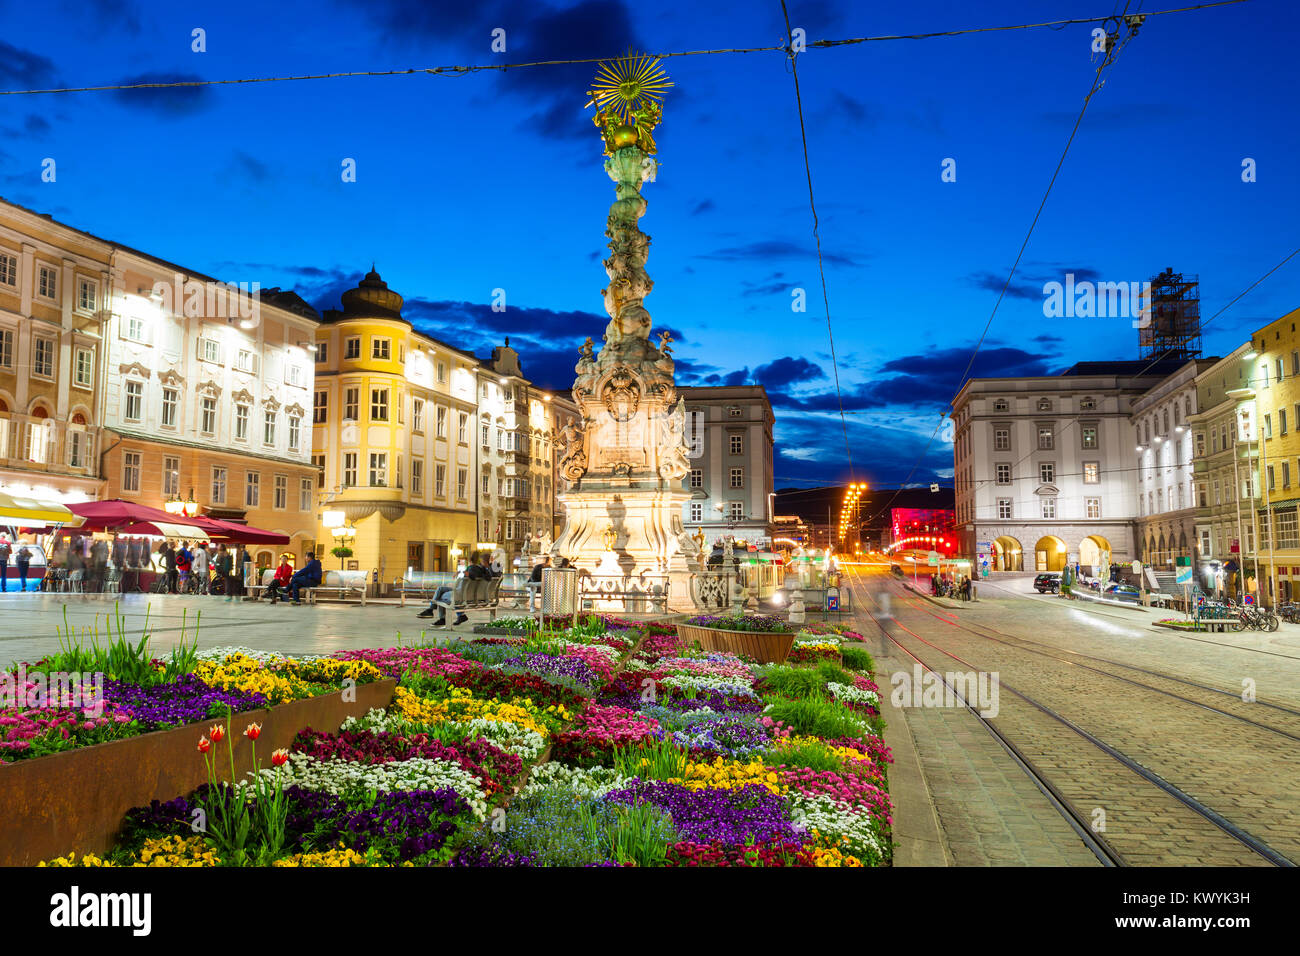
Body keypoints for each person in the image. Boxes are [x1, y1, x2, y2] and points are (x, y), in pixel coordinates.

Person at [419, 553, 498, 625]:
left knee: (441, 594)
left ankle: (436, 614)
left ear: (470, 561)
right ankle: (459, 615)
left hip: (461, 595)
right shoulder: (482, 572)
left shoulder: (472, 570)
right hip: (469, 595)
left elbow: (470, 577)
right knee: (441, 589)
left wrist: (466, 573)